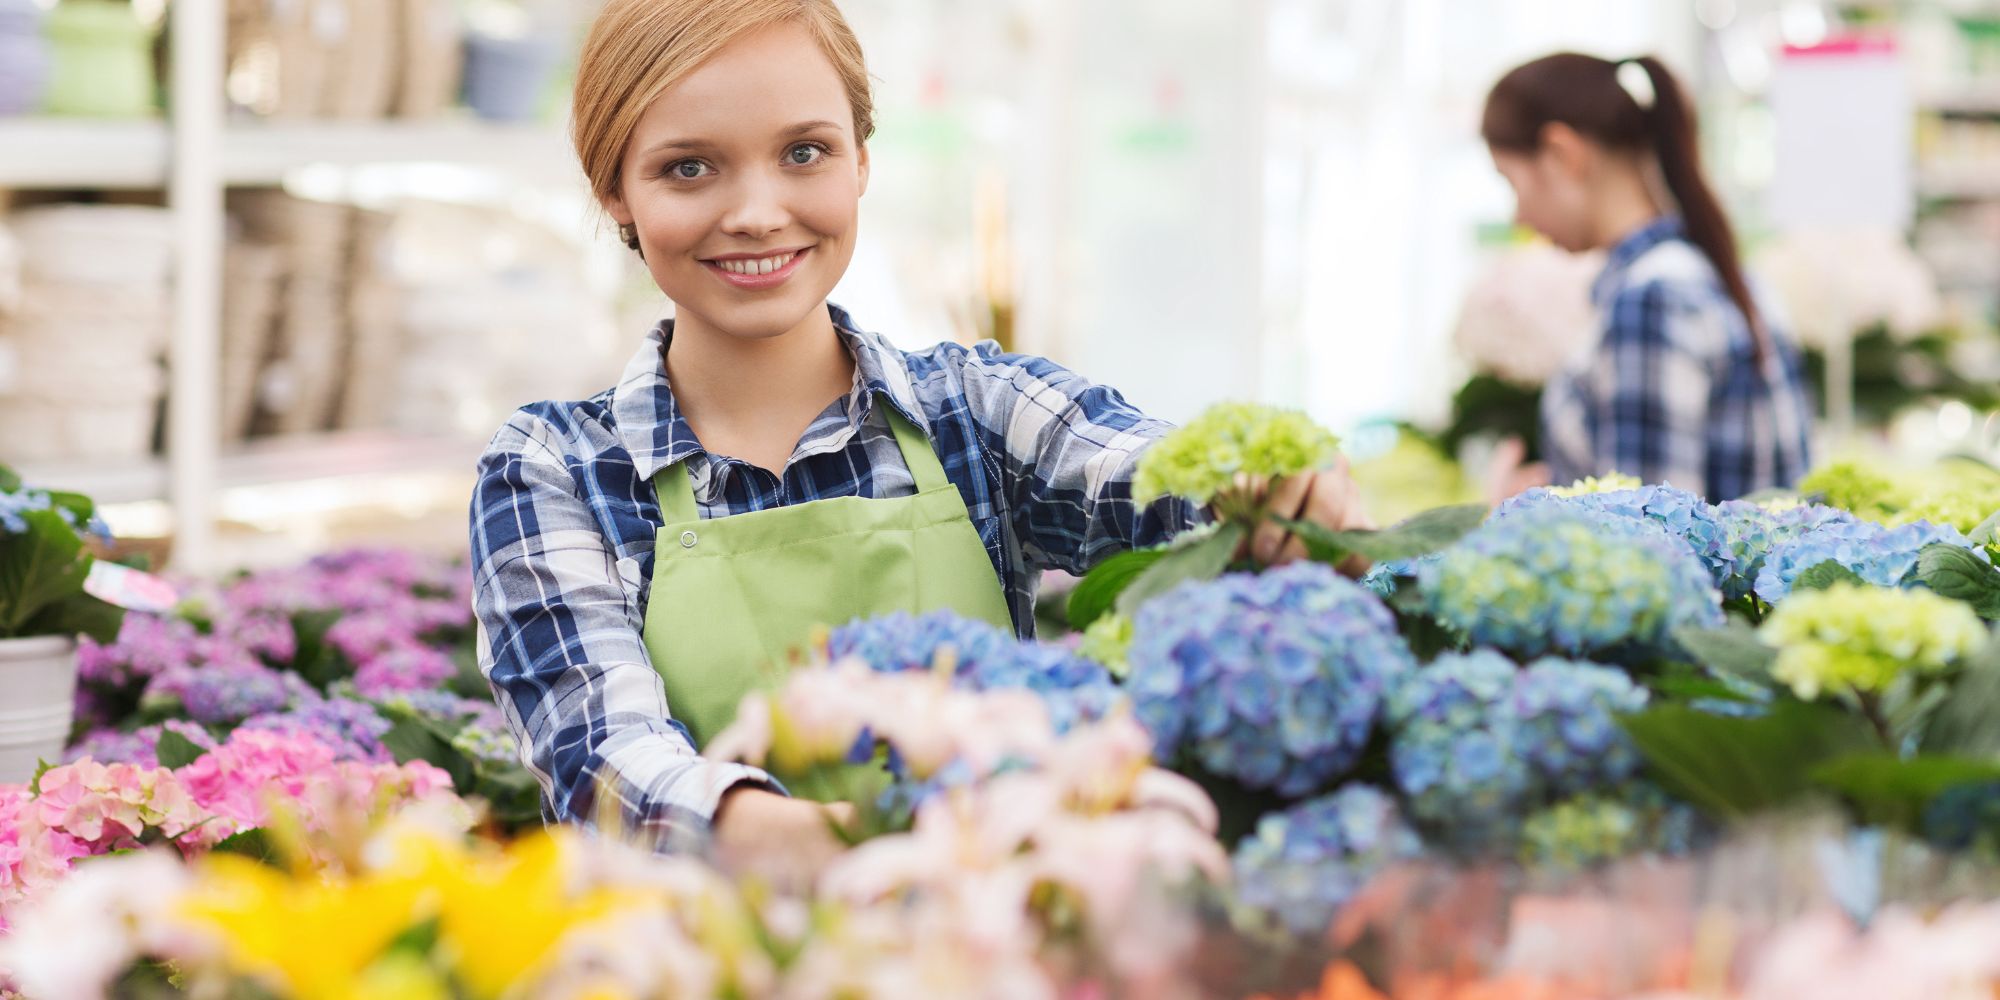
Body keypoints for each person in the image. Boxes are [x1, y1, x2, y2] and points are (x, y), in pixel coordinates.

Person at [468, 0, 1368, 877]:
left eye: (804, 152)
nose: (756, 211)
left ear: (861, 160)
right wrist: (907, 851)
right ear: (613, 189)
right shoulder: (555, 471)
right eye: (689, 169)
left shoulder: (974, 409)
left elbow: (1146, 476)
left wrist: (1273, 494)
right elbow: (609, 773)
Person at [1480, 52, 1815, 501]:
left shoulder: (1653, 298)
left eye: (1511, 182)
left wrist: (1509, 519)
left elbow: (1650, 545)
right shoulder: (1708, 272)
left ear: (1563, 154)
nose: (1518, 214)